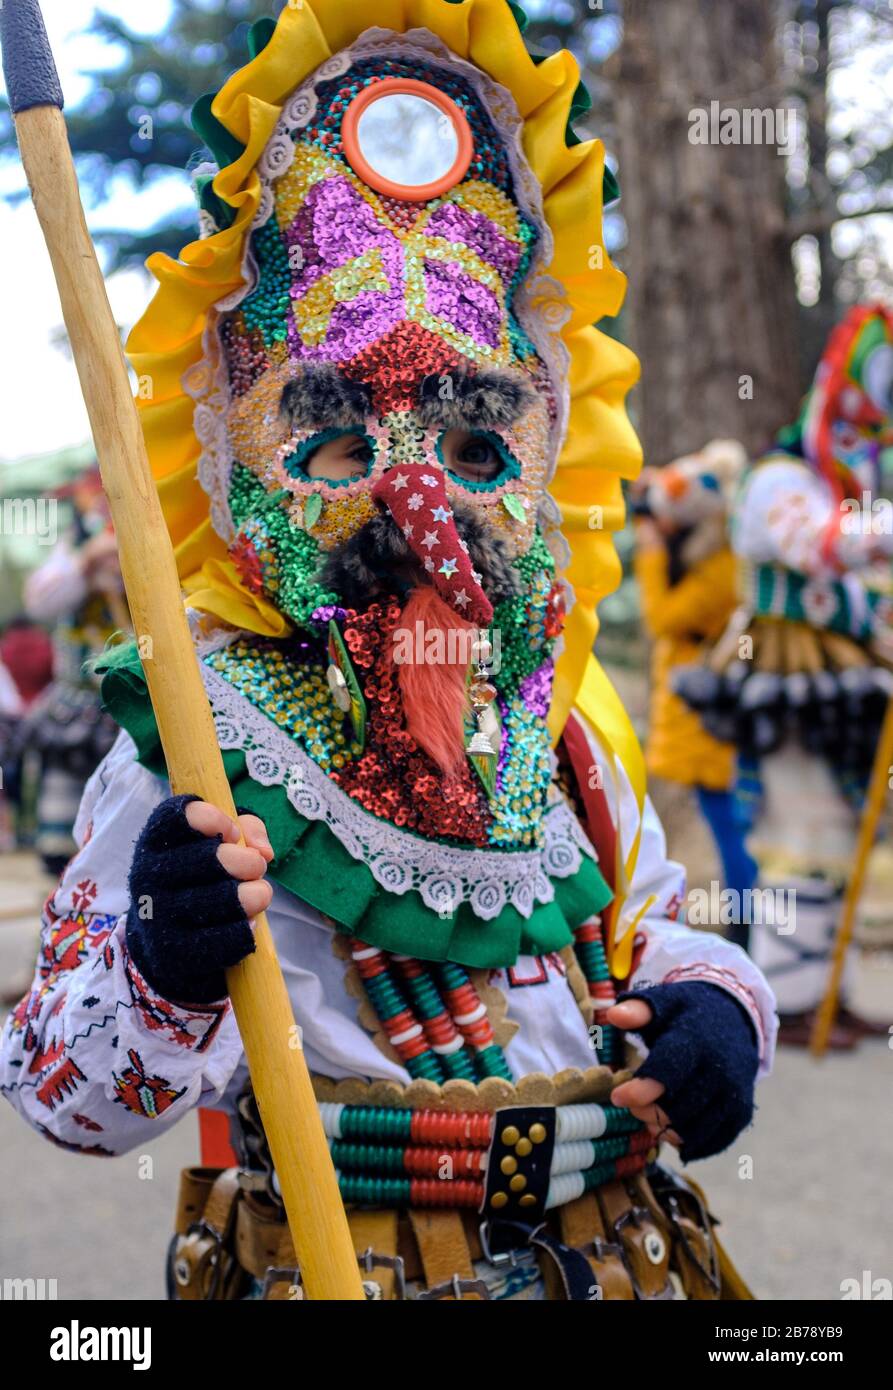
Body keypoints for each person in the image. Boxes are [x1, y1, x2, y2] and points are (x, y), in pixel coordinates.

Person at [0, 1, 776, 1301]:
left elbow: (656, 927)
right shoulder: (198, 752)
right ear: (242, 473)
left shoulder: (562, 735)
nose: (424, 507)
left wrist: (717, 1005)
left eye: (477, 452)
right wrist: (159, 953)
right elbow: (64, 1097)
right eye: (345, 448)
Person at [675, 305, 893, 1049]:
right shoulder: (776, 482)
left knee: (842, 841)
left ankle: (834, 992)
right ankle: (787, 1002)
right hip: (787, 681)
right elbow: (820, 545)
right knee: (797, 839)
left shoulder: (843, 487)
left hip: (850, 683)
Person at [633, 441, 756, 948]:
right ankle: (740, 928)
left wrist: (650, 551)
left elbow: (662, 618)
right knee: (720, 824)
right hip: (698, 713)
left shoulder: (719, 569)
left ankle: (746, 933)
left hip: (707, 718)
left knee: (729, 828)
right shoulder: (714, 556)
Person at [18, 471, 126, 873]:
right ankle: (65, 913)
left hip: (134, 705)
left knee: (122, 827)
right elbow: (41, 603)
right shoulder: (76, 544)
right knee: (61, 839)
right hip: (75, 704)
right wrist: (87, 561)